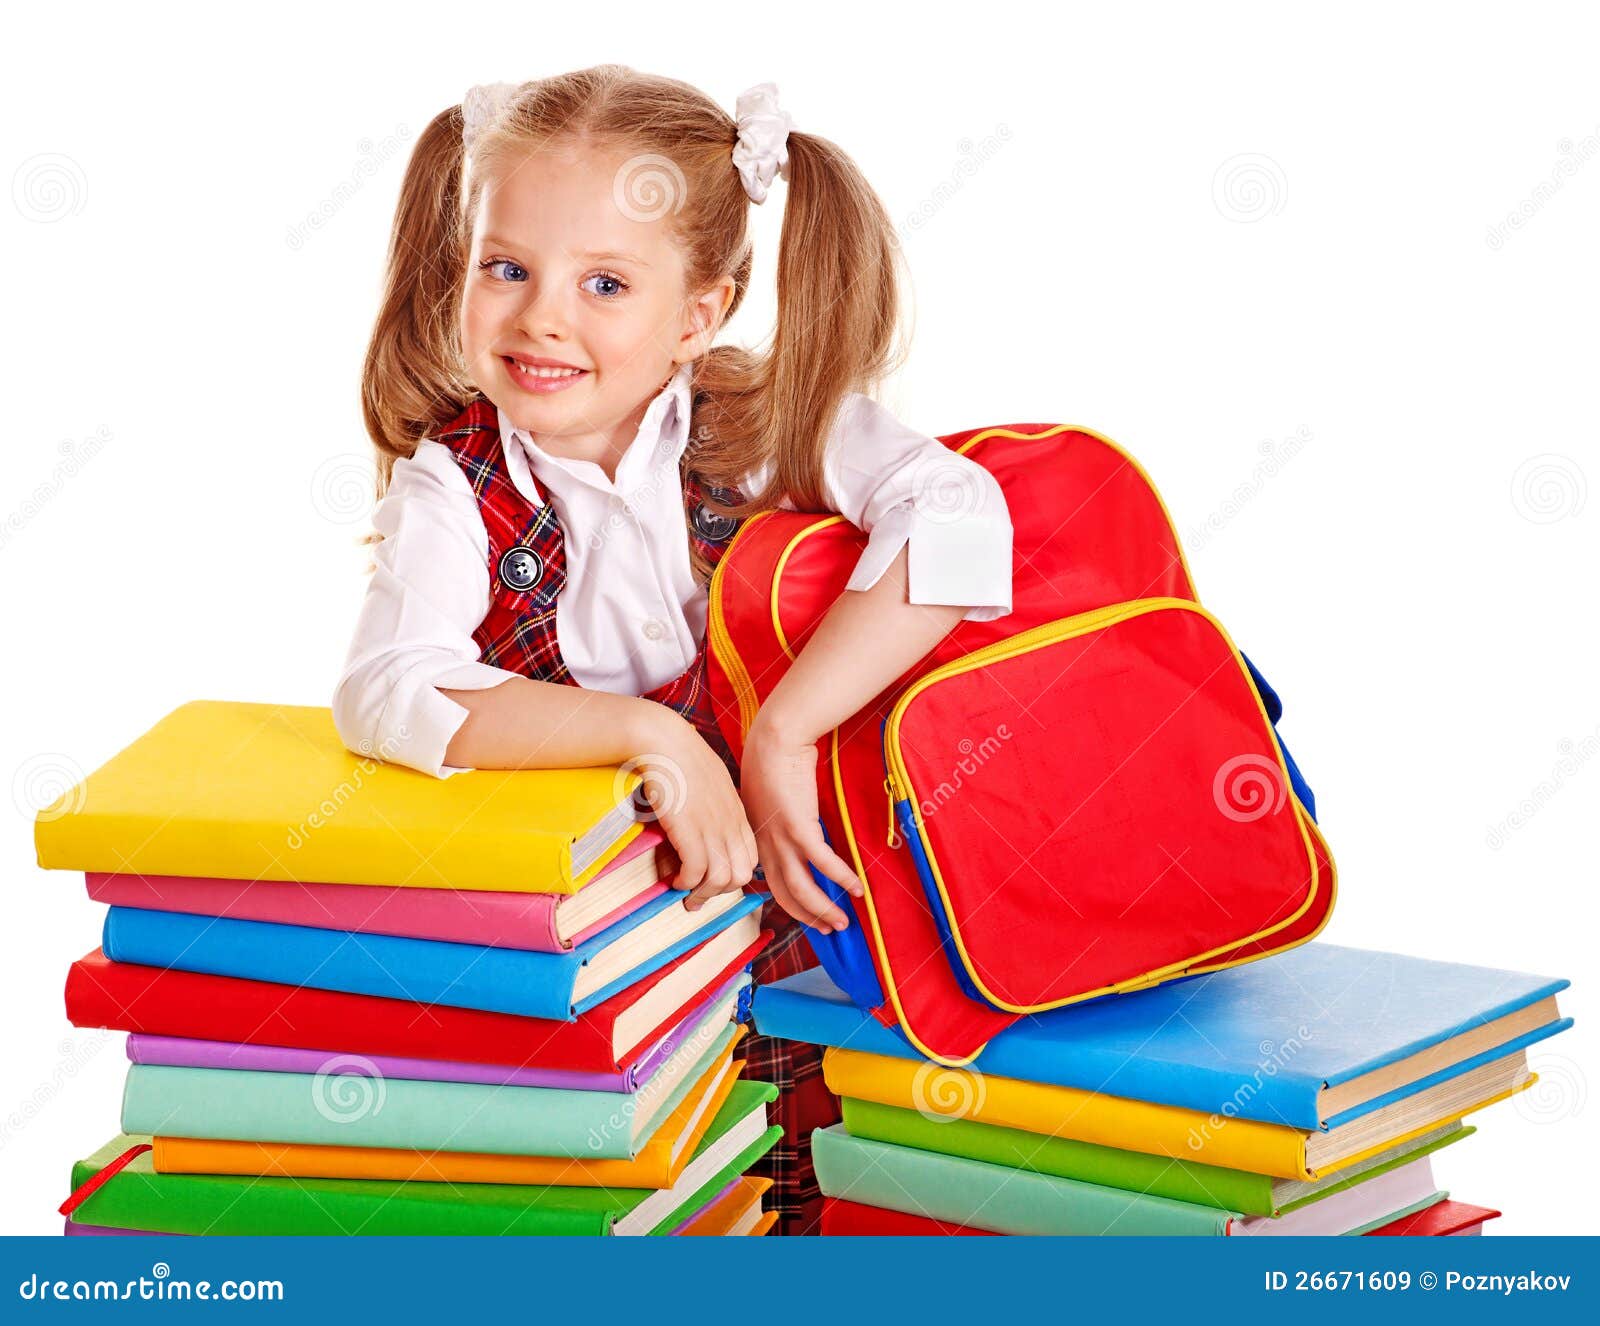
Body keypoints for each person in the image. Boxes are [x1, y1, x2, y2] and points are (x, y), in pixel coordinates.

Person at [333, 65, 1014, 1234]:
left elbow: (959, 521)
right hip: (598, 972)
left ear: (700, 312)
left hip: (811, 934)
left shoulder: (761, 426)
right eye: (507, 269)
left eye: (605, 283)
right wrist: (652, 737)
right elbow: (387, 691)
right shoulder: (458, 483)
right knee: (645, 1218)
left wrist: (786, 731)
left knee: (824, 1196)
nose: (542, 316)